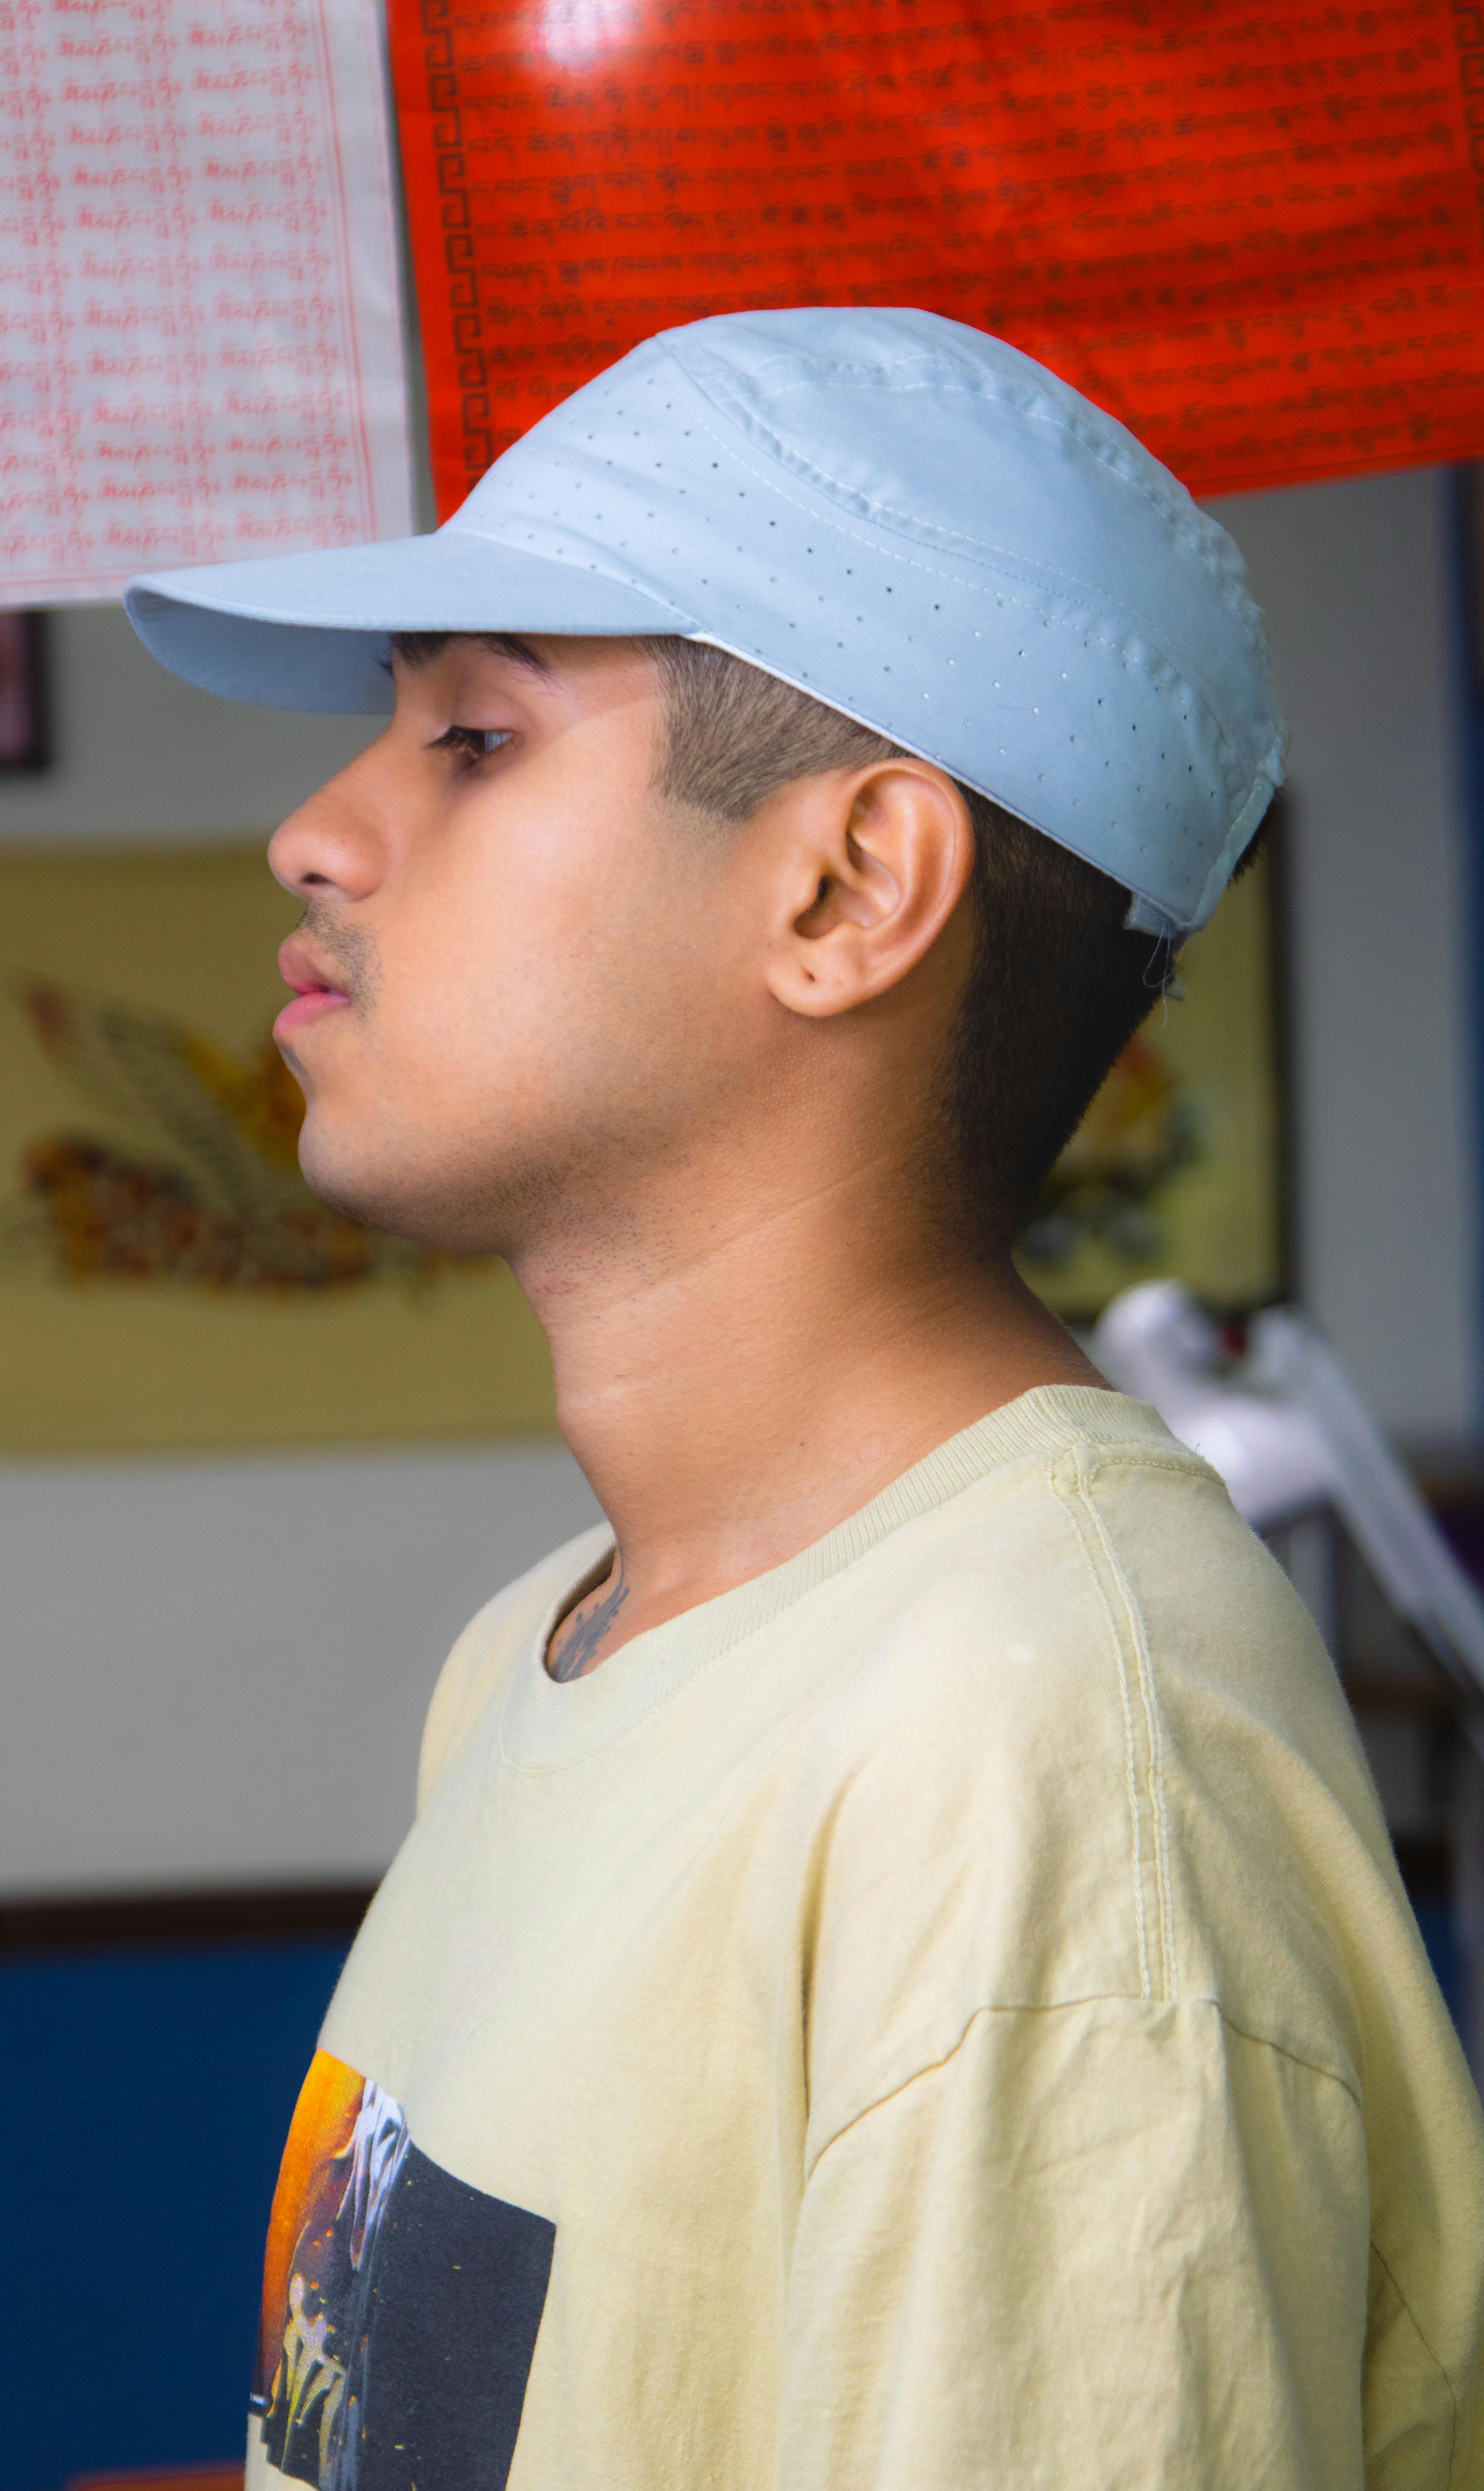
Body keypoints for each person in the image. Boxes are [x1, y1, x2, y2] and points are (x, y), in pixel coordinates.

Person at [127, 308, 1484, 2490]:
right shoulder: (537, 1656)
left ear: (849, 888)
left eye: (473, 738)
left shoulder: (1041, 1760)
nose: (313, 834)